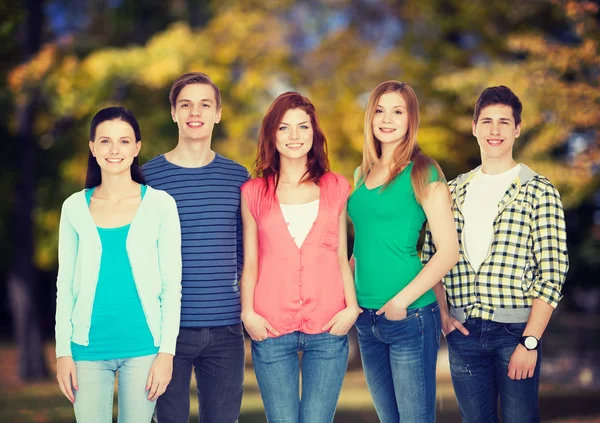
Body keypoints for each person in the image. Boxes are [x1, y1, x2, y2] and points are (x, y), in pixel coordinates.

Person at [424, 85, 569, 423]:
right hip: (464, 334)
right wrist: (444, 315)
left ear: (517, 129)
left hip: (515, 334)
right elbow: (432, 259)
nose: (494, 130)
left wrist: (530, 342)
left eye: (504, 122)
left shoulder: (539, 190)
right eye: (487, 121)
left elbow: (553, 271)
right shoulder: (453, 191)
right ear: (474, 127)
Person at [54, 106, 182, 423]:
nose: (115, 150)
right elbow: (64, 286)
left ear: (137, 148)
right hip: (86, 349)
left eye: (124, 142)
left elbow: (171, 285)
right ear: (93, 148)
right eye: (106, 141)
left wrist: (167, 354)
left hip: (143, 348)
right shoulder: (73, 208)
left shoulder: (161, 205)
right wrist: (62, 352)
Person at [240, 91, 361, 423]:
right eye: (284, 128)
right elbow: (251, 261)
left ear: (314, 133)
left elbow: (340, 255)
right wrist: (247, 313)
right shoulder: (253, 191)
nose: (294, 136)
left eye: (302, 127)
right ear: (271, 135)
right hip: (270, 325)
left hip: (328, 324)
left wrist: (351, 308)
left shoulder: (337, 186)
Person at [347, 80, 459, 423]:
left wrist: (400, 302)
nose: (387, 119)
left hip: (409, 317)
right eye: (379, 110)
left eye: (398, 111)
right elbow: (360, 250)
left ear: (411, 120)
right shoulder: (360, 174)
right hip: (366, 320)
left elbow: (449, 251)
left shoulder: (423, 171)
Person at [143, 72, 249, 423]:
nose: (195, 112)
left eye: (205, 104)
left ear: (218, 113)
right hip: (165, 334)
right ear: (173, 112)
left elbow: (246, 253)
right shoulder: (147, 179)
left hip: (226, 331)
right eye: (186, 104)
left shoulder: (238, 178)